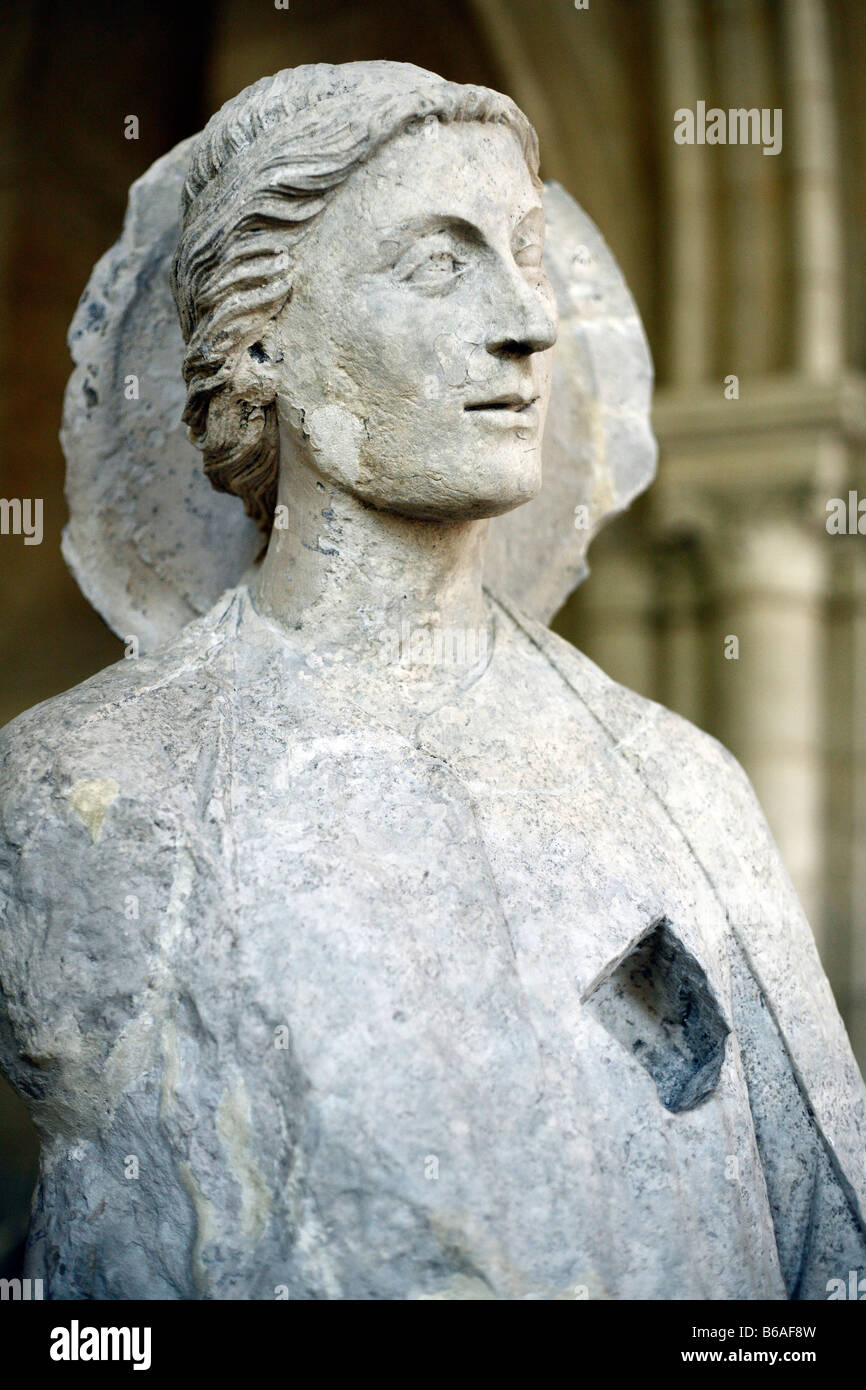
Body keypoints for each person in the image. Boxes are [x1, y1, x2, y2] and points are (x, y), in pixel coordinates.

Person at [1, 62, 864, 1300]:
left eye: (523, 251)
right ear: (260, 342)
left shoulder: (678, 784)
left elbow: (823, 1258)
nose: (528, 318)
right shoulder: (75, 789)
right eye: (438, 263)